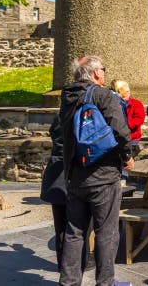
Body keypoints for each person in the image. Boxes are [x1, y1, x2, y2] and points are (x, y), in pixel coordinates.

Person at [58, 55, 133, 286]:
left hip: (75, 175)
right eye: (103, 68)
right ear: (95, 73)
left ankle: (69, 282)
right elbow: (120, 131)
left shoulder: (67, 97)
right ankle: (105, 282)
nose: (105, 72)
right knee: (106, 232)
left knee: (74, 232)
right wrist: (127, 156)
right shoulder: (102, 95)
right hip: (103, 174)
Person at [40, 114, 93, 273]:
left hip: (57, 177)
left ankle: (64, 266)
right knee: (79, 227)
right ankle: (77, 266)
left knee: (61, 227)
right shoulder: (83, 118)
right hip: (73, 178)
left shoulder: (59, 117)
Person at [110, 79, 145, 152]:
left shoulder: (136, 104)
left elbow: (138, 120)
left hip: (131, 137)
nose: (128, 93)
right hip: (115, 136)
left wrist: (124, 125)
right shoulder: (112, 104)